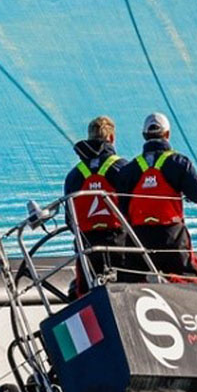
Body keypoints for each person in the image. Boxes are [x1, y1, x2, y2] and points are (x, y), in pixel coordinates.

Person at [117, 112, 197, 278]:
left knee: (133, 279)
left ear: (144, 136)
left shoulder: (129, 169)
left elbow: (121, 205)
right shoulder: (179, 163)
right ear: (167, 134)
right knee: (187, 279)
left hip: (139, 236)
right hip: (171, 236)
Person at [63, 115, 129, 285]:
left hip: (87, 244)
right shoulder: (123, 168)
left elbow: (70, 220)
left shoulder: (73, 176)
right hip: (120, 244)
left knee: (84, 289)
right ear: (112, 138)